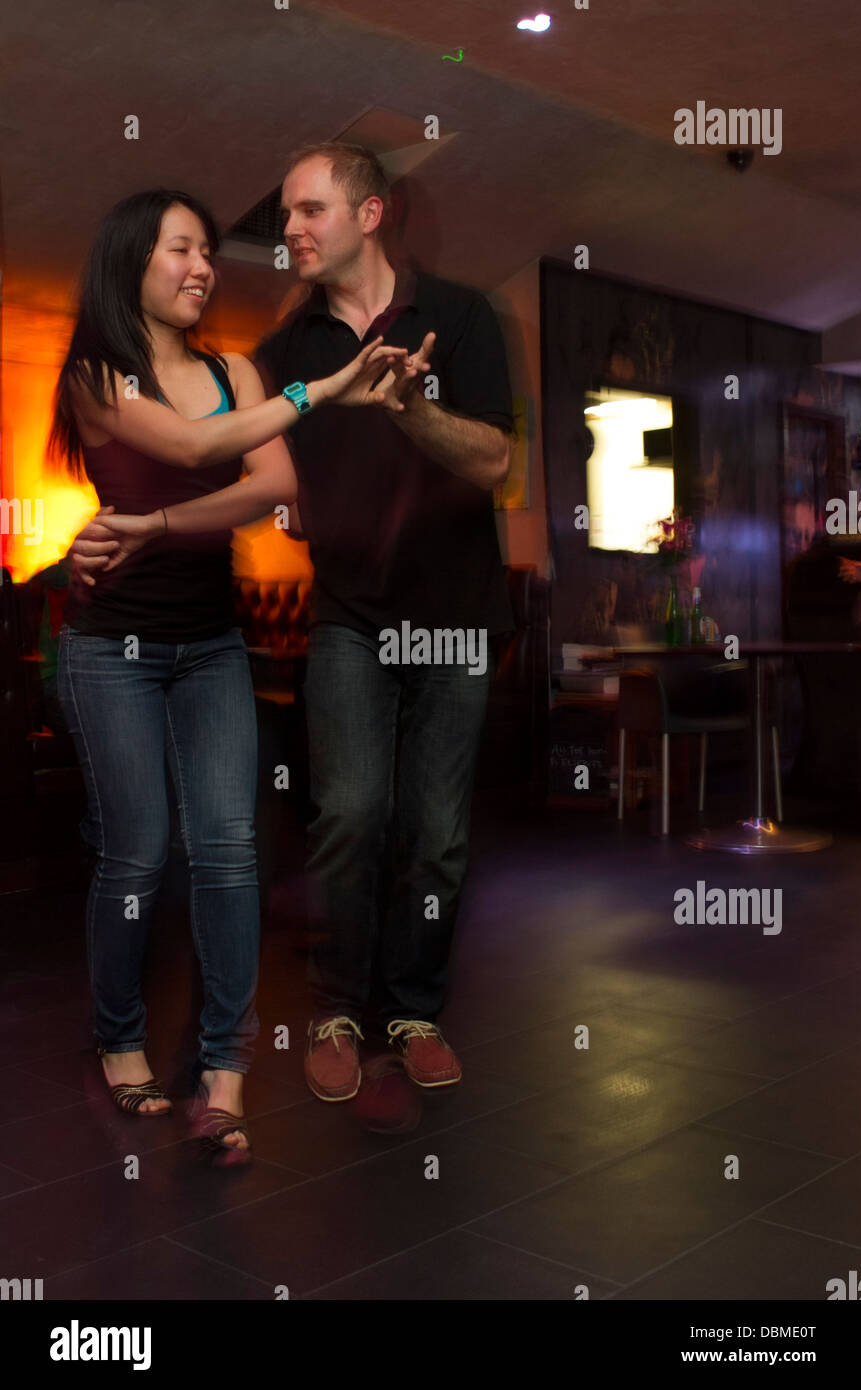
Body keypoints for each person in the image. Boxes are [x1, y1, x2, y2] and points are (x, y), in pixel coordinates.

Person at [50, 187, 417, 1160]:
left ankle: (223, 1072)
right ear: (132, 261)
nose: (204, 266)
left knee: (225, 850)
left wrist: (162, 524)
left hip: (212, 640)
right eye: (181, 249)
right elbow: (197, 448)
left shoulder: (234, 368)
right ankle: (120, 1039)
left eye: (209, 251)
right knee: (136, 852)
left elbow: (273, 484)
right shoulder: (98, 375)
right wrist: (321, 390)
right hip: (110, 647)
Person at [252, 143, 515, 1101]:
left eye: (309, 210)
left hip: (455, 618)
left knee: (436, 829)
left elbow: (491, 463)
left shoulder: (460, 315)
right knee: (353, 812)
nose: (290, 230)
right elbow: (260, 470)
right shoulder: (287, 355)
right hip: (350, 617)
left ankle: (411, 1011)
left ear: (370, 214)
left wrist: (412, 410)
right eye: (285, 215)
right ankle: (333, 1006)